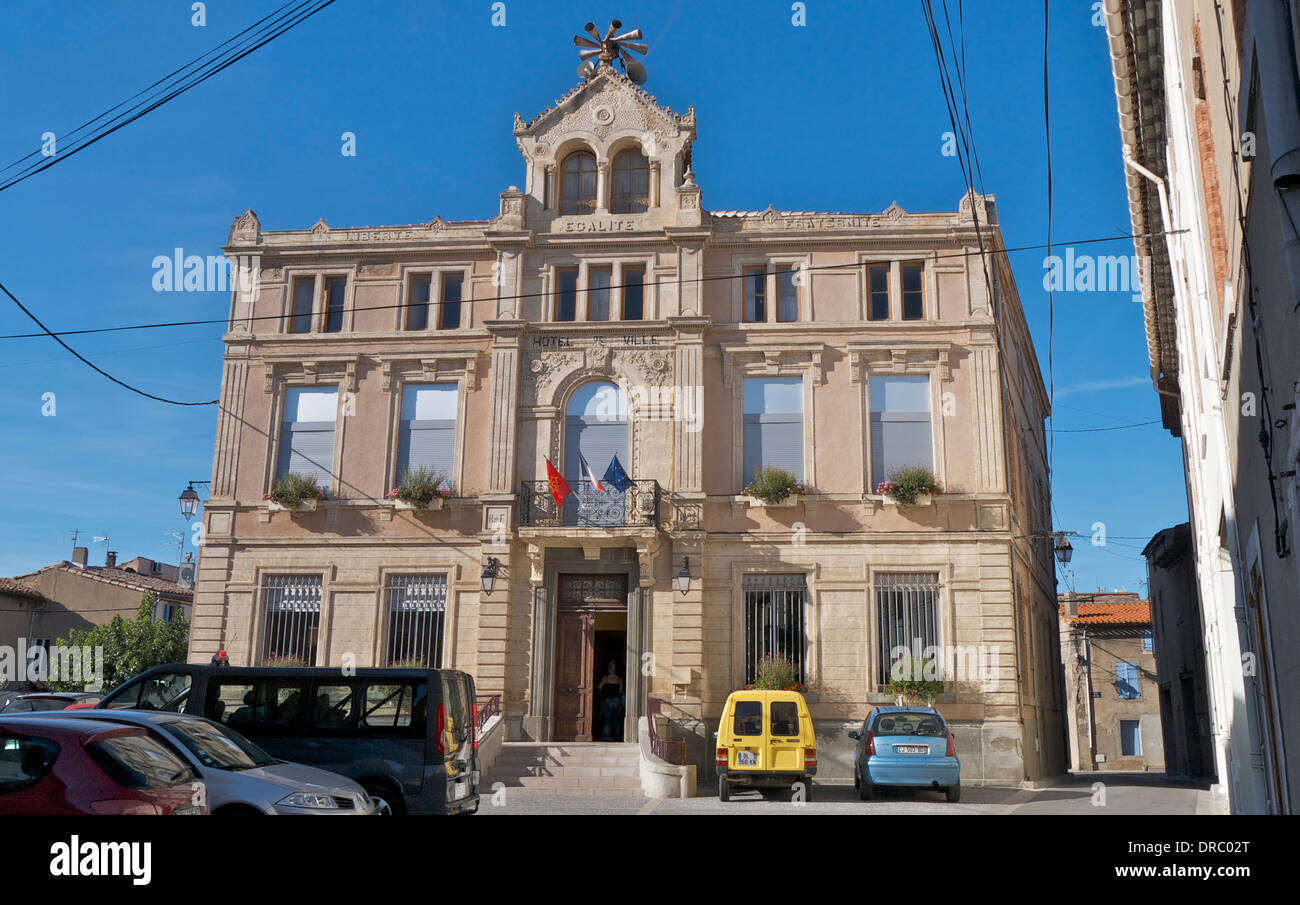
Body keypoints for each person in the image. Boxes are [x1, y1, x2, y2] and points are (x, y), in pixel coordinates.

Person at [596, 660, 624, 742]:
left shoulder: (605, 678)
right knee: (617, 720)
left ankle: (607, 736)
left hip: (607, 702)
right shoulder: (619, 679)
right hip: (617, 701)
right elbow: (620, 691)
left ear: (609, 669)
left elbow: (599, 688)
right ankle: (617, 736)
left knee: (607, 720)